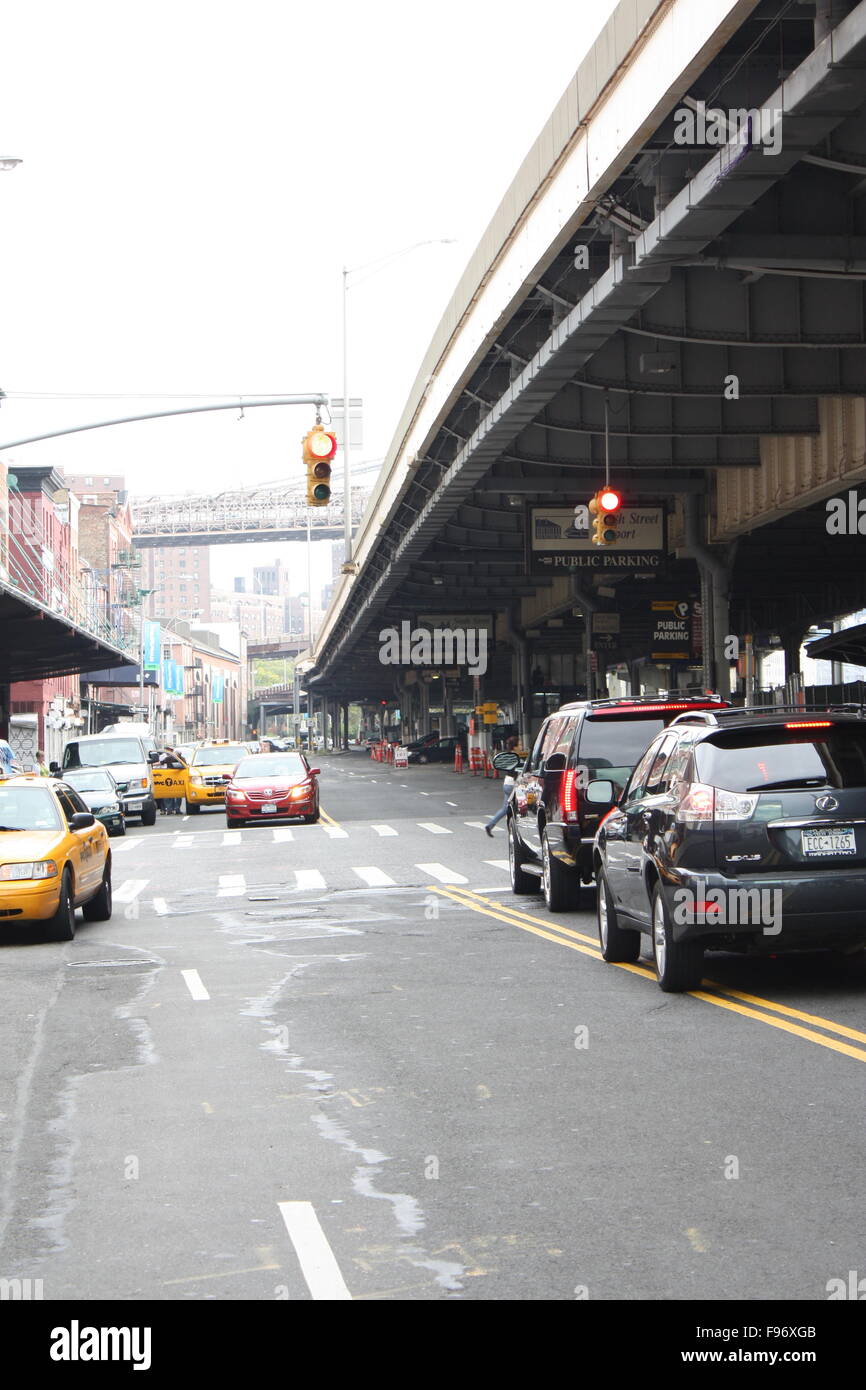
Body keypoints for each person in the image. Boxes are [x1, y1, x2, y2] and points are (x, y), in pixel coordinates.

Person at [485, 735, 521, 836]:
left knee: (505, 808)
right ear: (515, 746)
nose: (521, 746)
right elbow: (518, 771)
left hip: (507, 783)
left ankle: (490, 825)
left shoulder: (509, 756)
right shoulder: (515, 757)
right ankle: (514, 829)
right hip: (512, 785)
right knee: (519, 807)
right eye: (520, 744)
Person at [158, 745, 186, 815]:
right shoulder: (181, 759)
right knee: (176, 794)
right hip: (177, 779)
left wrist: (151, 765)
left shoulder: (170, 758)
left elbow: (161, 763)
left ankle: (171, 809)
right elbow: (186, 766)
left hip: (171, 778)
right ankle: (175, 809)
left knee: (170, 794)